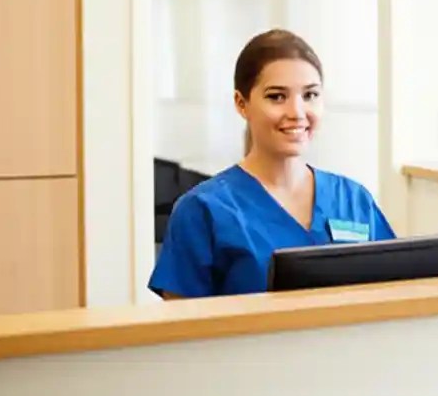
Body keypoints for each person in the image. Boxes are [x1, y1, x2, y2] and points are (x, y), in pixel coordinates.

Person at [149, 29, 395, 298]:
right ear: (241, 104)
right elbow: (182, 320)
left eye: (310, 95)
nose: (297, 113)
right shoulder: (202, 210)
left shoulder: (354, 200)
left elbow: (392, 293)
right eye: (277, 96)